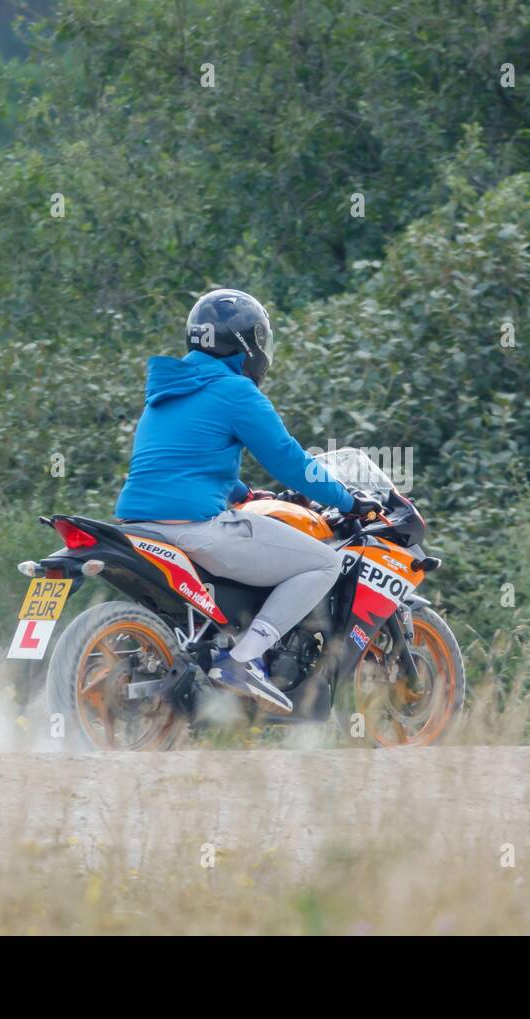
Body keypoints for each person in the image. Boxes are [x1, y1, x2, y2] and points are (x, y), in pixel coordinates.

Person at [114, 288, 380, 713]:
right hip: (194, 529)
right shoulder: (236, 391)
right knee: (324, 562)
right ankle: (242, 659)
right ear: (244, 343)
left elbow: (184, 461)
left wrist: (245, 495)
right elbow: (291, 461)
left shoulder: (166, 392)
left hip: (137, 525)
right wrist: (346, 501)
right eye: (259, 338)